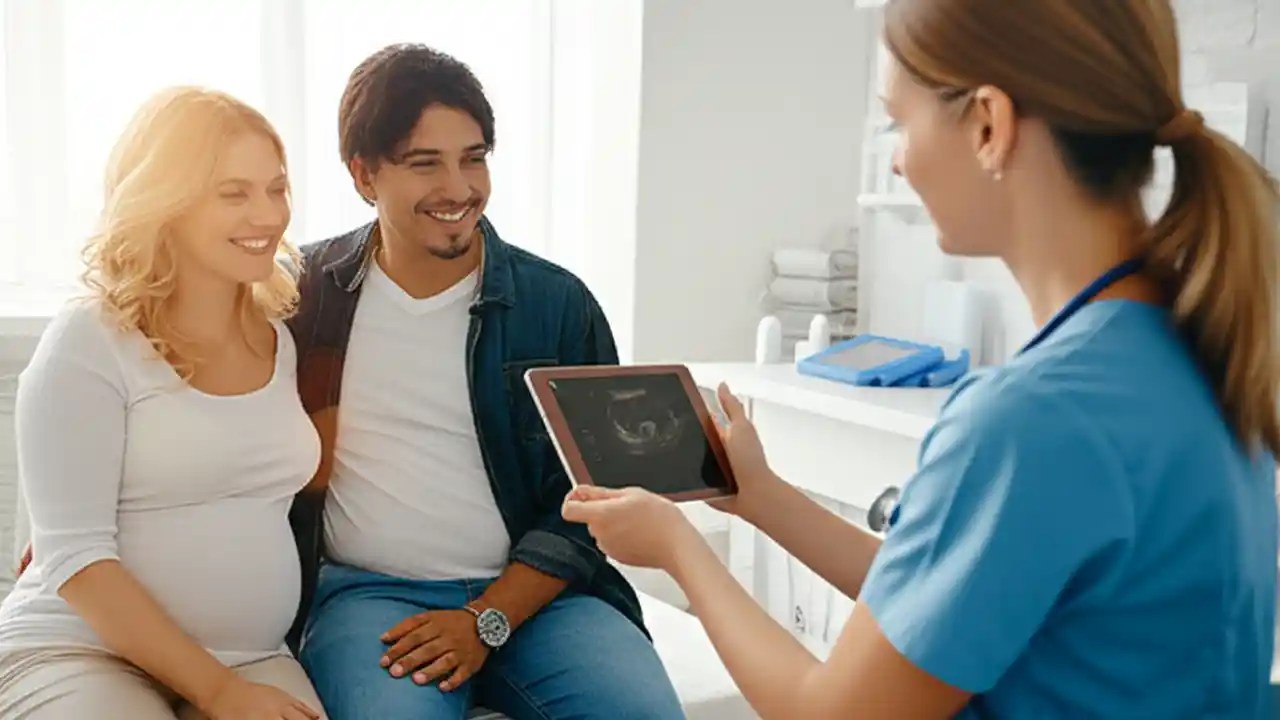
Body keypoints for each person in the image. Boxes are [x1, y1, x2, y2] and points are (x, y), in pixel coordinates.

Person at [563, 1, 1280, 718]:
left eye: (900, 122)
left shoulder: (1032, 418)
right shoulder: (1201, 353)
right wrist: (761, 497)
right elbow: (946, 602)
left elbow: (834, 715)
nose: (900, 158)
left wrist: (681, 549)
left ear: (990, 127)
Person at [285, 44, 682, 719]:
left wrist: (486, 619)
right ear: (363, 174)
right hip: (371, 596)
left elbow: (597, 499)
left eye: (473, 157)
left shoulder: (558, 305)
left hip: (545, 597)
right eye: (425, 163)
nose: (459, 188)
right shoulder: (305, 296)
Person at [0, 88, 327, 719]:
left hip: (250, 656)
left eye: (277, 188)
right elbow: (74, 558)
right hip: (79, 650)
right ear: (166, 202)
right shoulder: (90, 338)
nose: (267, 214)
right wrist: (219, 694)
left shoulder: (277, 339)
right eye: (233, 193)